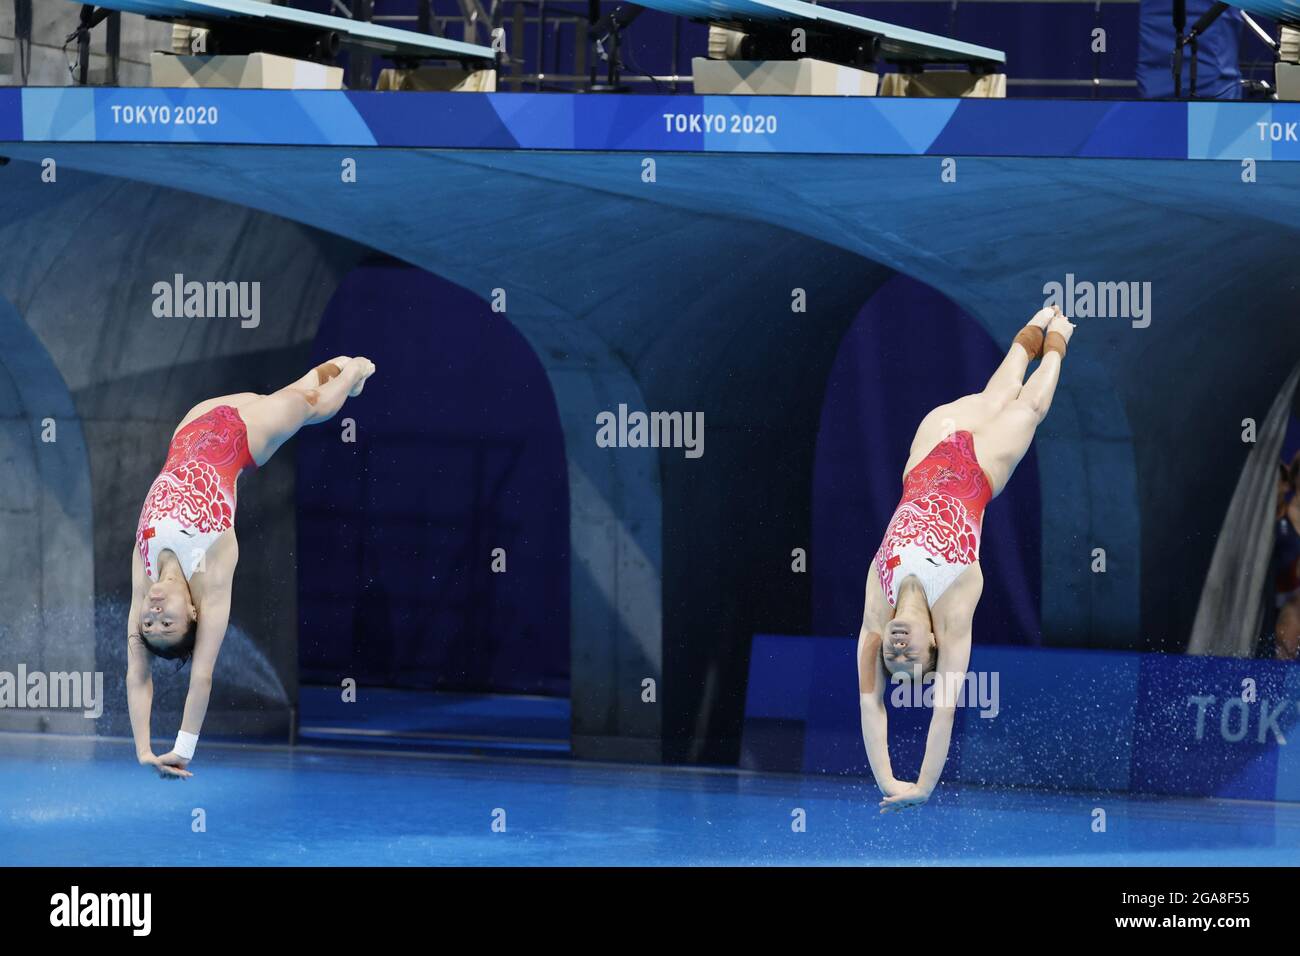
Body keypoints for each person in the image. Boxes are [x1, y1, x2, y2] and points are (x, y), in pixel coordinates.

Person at [858, 305, 1074, 813]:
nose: (898, 653)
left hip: (927, 455)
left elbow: (870, 702)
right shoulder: (954, 614)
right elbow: (944, 714)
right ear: (932, 645)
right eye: (912, 660)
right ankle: (1061, 339)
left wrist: (888, 778)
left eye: (893, 661)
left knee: (994, 394)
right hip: (979, 473)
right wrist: (923, 788)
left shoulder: (877, 607)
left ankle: (1034, 326)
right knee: (1025, 410)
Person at [127, 356, 377, 779]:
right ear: (191, 615)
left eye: (148, 625)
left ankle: (340, 374)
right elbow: (201, 677)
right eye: (166, 625)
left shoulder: (144, 565)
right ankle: (355, 372)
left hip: (191, 428)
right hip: (244, 440)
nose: (152, 617)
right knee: (310, 404)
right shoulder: (212, 577)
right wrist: (181, 749)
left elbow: (137, 674)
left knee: (293, 391)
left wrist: (142, 751)